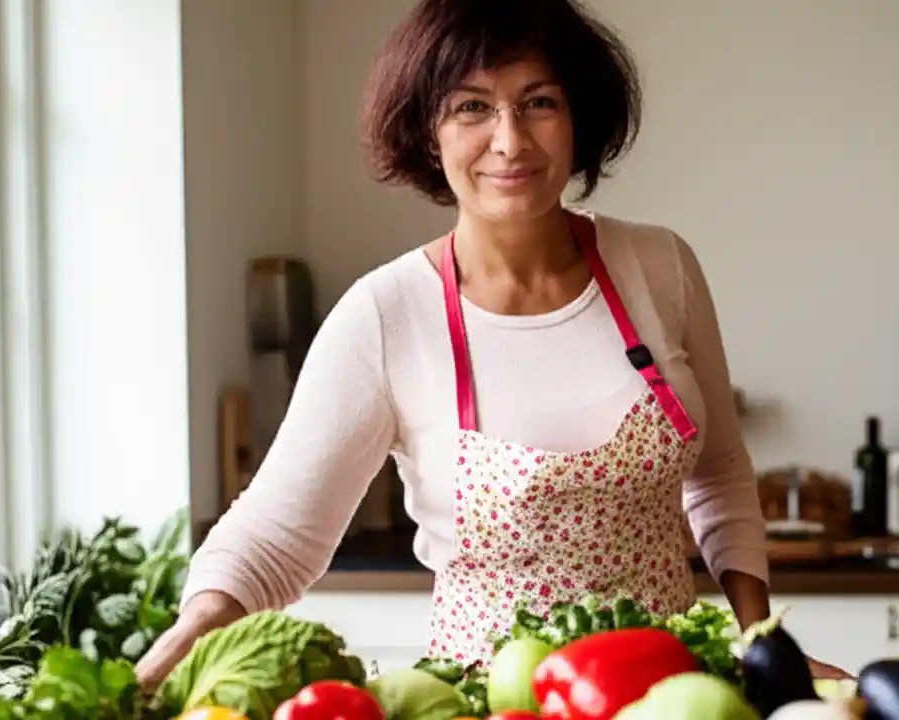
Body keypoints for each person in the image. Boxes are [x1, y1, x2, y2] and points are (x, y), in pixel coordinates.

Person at [136, 0, 847, 687]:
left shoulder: (660, 267)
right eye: (471, 107)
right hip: (484, 705)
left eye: (538, 101)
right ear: (428, 131)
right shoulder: (386, 314)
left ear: (577, 117)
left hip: (666, 696)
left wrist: (764, 649)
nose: (510, 140)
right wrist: (174, 648)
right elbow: (272, 539)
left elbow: (719, 472)